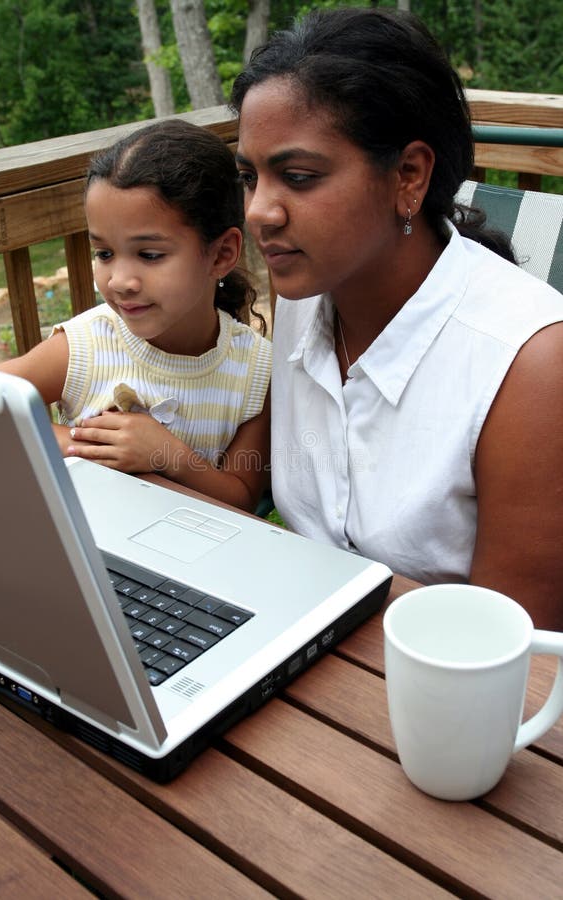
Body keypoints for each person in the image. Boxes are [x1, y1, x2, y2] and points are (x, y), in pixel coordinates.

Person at [230, 7, 563, 627]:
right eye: (249, 177)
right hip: (292, 646)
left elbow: (512, 659)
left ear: (408, 175)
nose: (259, 212)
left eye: (298, 177)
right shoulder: (305, 295)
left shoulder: (530, 365)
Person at [0, 120, 272, 511]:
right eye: (104, 253)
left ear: (222, 254)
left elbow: (241, 499)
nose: (121, 280)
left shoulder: (255, 372)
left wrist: (166, 454)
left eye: (149, 255)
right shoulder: (87, 346)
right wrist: (86, 447)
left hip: (195, 562)